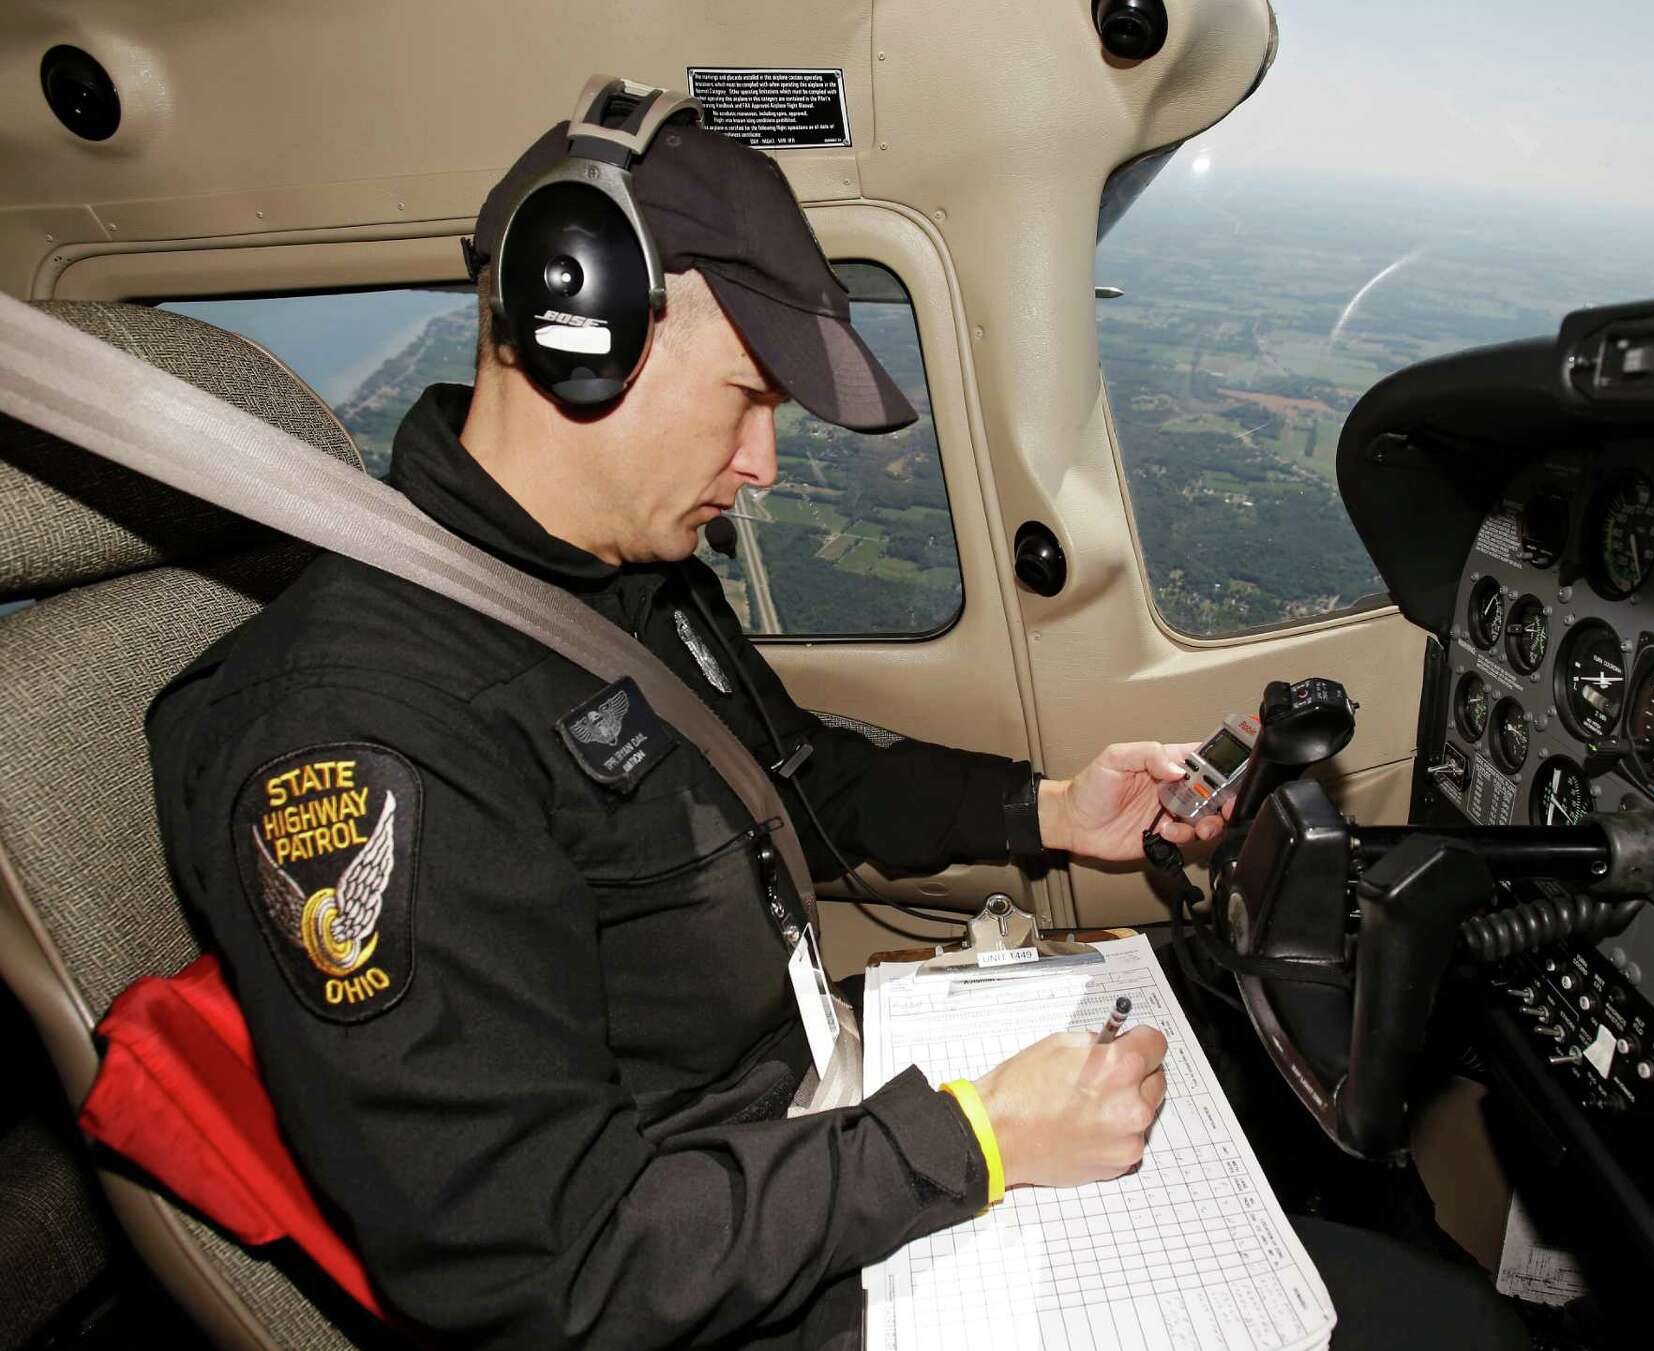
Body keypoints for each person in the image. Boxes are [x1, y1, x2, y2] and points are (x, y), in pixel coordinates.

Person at [146, 113, 1231, 1348]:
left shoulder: (626, 584)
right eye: (748, 395)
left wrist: (1049, 810)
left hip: (795, 1149)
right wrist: (974, 1141)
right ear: (578, 323)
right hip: (708, 1282)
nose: (763, 462)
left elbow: (794, 780)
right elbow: (550, 1267)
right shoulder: (368, 731)